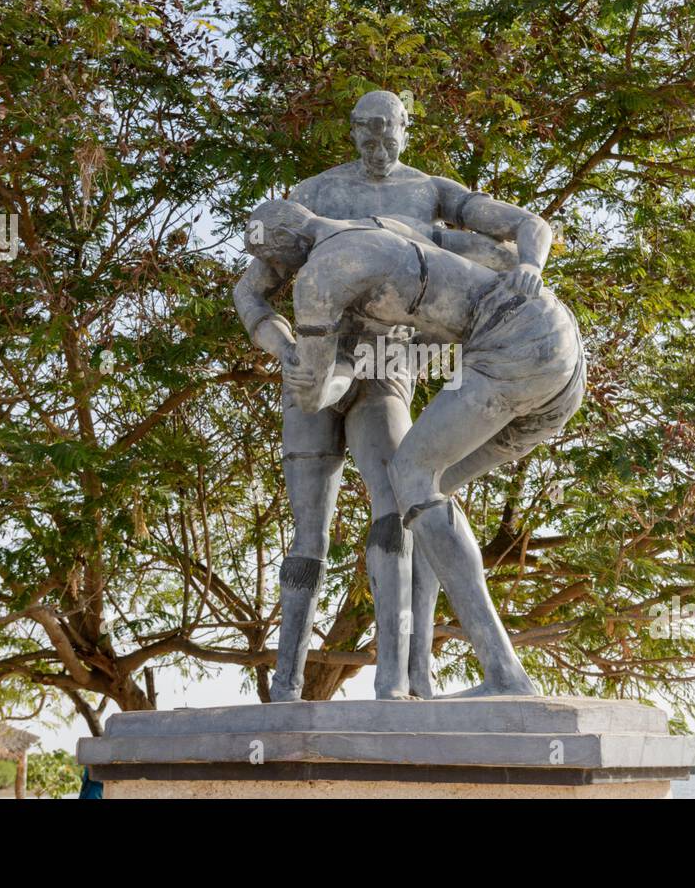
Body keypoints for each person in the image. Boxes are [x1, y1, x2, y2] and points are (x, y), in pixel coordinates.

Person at [234, 90, 551, 700]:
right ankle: (285, 690)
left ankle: (398, 683)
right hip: (312, 367)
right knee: (308, 534)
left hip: (385, 364)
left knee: (399, 505)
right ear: (350, 129)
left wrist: (529, 266)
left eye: (389, 130)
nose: (377, 142)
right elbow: (250, 292)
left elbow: (519, 230)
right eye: (366, 130)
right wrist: (287, 353)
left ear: (408, 125)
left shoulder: (431, 191)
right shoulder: (312, 194)